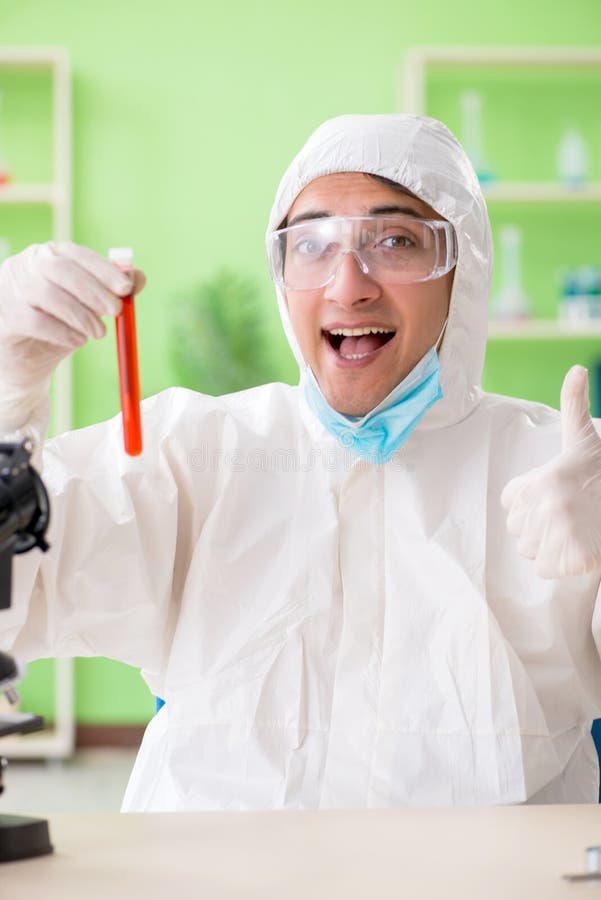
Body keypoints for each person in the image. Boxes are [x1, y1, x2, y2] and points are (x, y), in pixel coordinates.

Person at [1, 113, 601, 812]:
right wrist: (7, 399)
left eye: (396, 240)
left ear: (461, 270)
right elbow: (19, 595)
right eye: (311, 244)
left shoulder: (561, 468)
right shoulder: (192, 452)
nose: (348, 285)